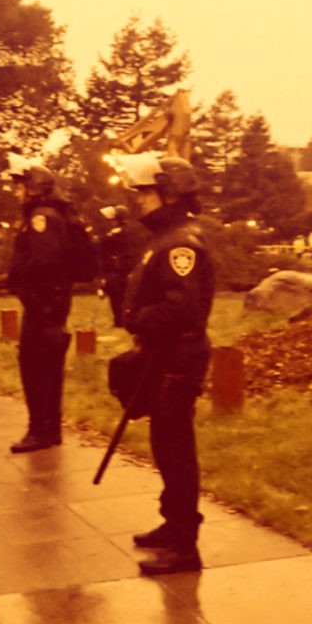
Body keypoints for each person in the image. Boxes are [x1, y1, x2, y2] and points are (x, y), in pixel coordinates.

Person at [110, 153, 215, 576]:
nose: (138, 199)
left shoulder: (181, 243)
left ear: (169, 193)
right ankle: (173, 525)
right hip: (164, 356)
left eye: (146, 191)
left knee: (176, 450)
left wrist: (138, 319)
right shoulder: (168, 236)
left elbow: (183, 309)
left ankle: (185, 546)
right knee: (164, 445)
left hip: (177, 357)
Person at [6, 164, 76, 453]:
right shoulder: (51, 214)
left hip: (43, 305)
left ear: (34, 188)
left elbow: (44, 260)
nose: (15, 191)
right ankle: (51, 429)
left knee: (36, 368)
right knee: (49, 368)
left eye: (20, 186)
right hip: (50, 303)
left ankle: (39, 430)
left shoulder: (40, 217)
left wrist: (19, 274)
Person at [98, 204, 136, 327]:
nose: (111, 222)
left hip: (122, 271)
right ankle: (119, 320)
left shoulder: (123, 233)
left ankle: (121, 320)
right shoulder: (119, 232)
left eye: (114, 219)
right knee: (116, 297)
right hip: (116, 270)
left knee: (120, 297)